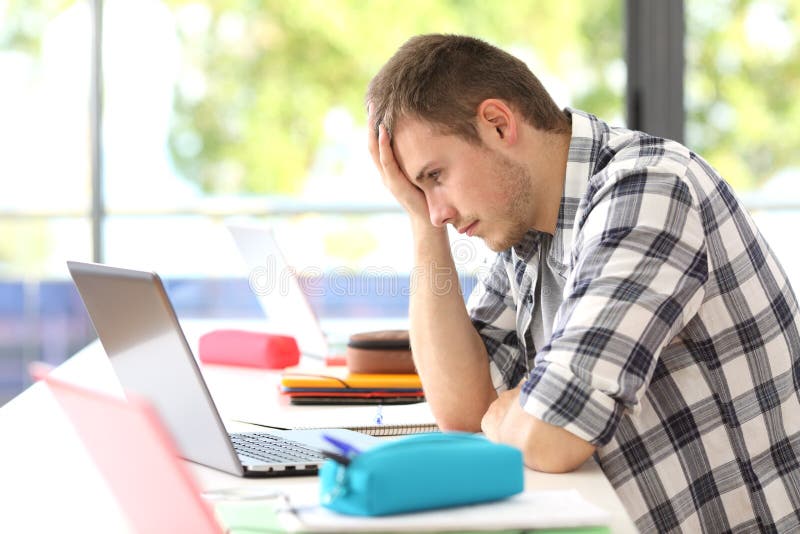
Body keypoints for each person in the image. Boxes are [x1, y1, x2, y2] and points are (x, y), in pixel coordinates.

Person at [365, 34, 800, 532]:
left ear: (498, 123)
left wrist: (522, 412)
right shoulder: (525, 229)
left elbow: (554, 435)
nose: (438, 210)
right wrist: (422, 226)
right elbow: (464, 416)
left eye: (436, 176)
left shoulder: (649, 189)